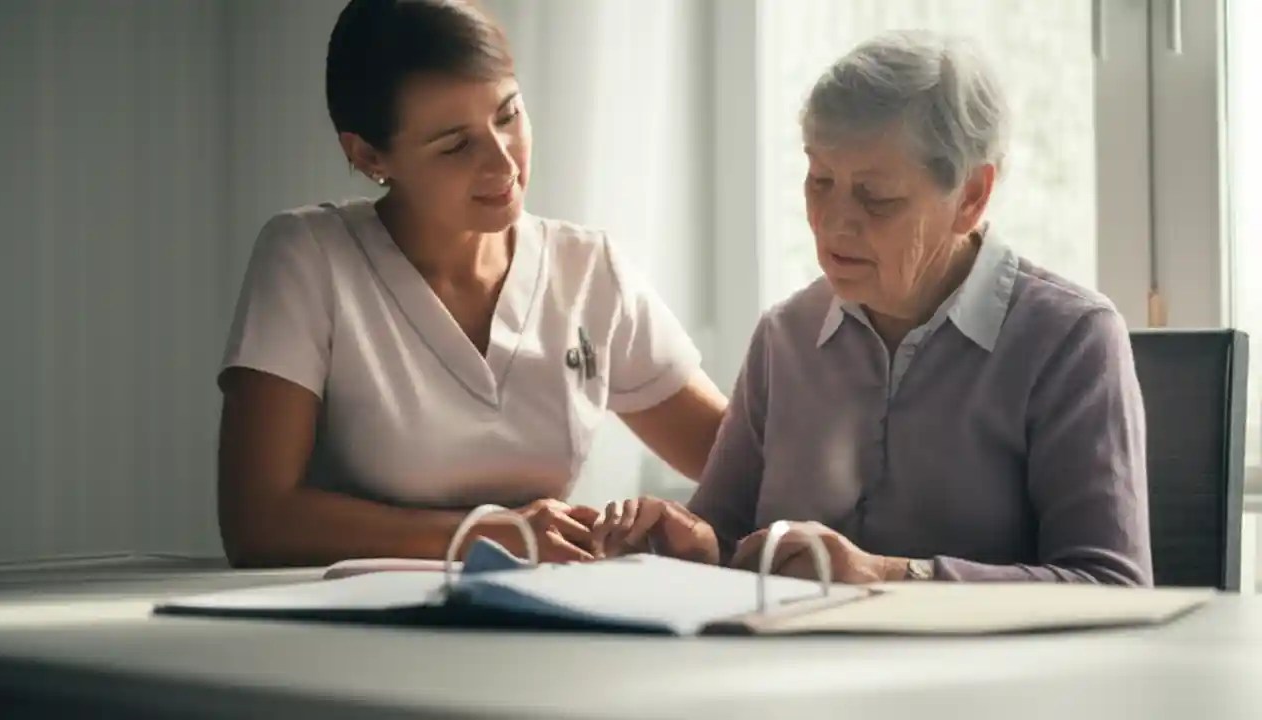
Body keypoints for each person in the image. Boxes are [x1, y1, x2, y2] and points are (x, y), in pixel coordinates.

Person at [595, 31, 1153, 586]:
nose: (834, 224)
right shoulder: (783, 337)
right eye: (820, 182)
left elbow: (1112, 586)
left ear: (971, 196)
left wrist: (890, 575)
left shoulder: (1072, 339)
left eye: (875, 197)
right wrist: (689, 543)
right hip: (788, 668)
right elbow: (725, 540)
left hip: (986, 675)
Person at [217, 0, 726, 568]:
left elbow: (741, 462)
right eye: (457, 145)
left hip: (538, 618)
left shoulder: (586, 269)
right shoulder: (310, 256)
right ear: (367, 155)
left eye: (508, 116)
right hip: (348, 629)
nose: (503, 164)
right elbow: (258, 520)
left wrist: (686, 528)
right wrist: (483, 535)